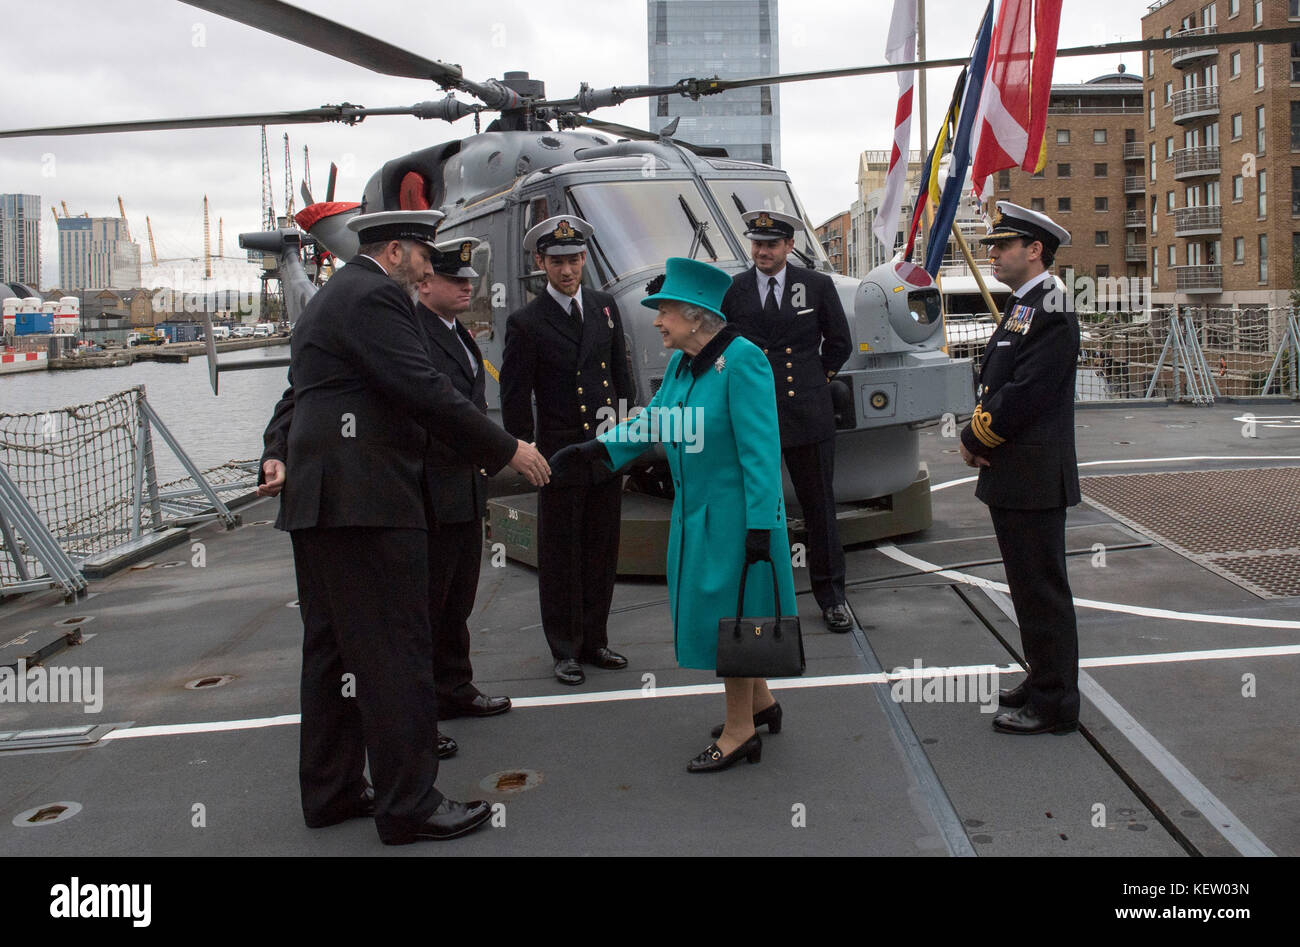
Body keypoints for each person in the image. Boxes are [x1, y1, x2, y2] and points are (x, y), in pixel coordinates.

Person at [256, 210, 550, 844]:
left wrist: (277, 450)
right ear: (396, 251)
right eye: (423, 252)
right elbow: (426, 391)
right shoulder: (376, 298)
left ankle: (332, 790)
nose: (428, 263)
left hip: (326, 503)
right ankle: (408, 803)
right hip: (368, 503)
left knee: (333, 651)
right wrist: (507, 450)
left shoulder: (336, 295)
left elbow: (306, 393)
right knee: (394, 652)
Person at [551, 257, 798, 772]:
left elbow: (760, 452)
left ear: (695, 316)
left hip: (737, 520)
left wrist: (761, 528)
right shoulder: (686, 363)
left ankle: (739, 732)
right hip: (696, 513)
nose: (657, 321)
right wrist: (596, 450)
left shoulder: (743, 360)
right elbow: (655, 421)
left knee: (729, 620)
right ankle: (761, 703)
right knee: (735, 616)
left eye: (664, 312)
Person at [960, 201, 1081, 736]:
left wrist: (974, 433)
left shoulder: (1051, 308)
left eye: (1002, 246)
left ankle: (1055, 704)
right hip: (1016, 471)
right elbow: (1000, 382)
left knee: (1041, 590)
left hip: (1032, 473)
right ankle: (1042, 678)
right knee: (1027, 586)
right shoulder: (1025, 306)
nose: (993, 255)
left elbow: (1029, 392)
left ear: (1035, 251)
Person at [499, 215, 635, 686]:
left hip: (603, 450)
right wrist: (525, 451)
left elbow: (621, 376)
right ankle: (564, 648)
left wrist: (626, 440)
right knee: (561, 557)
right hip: (558, 455)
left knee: (601, 549)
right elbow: (515, 396)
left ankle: (595, 640)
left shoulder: (604, 307)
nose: (567, 270)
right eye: (557, 261)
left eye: (574, 260)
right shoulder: (526, 322)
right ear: (541, 263)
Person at [721, 210, 854, 632]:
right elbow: (722, 344)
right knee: (752, 505)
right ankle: (753, 594)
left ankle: (833, 598)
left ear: (789, 246)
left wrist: (818, 380)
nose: (762, 251)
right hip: (753, 415)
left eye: (771, 244)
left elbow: (839, 343)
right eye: (757, 244)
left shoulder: (816, 286)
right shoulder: (735, 290)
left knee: (820, 508)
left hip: (806, 412)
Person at [413, 238, 513, 731]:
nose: (467, 287)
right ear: (425, 282)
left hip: (466, 488)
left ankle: (455, 687)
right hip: (431, 490)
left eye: (470, 281)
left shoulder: (459, 335)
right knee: (428, 605)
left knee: (458, 599)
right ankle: (424, 708)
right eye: (456, 280)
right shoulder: (415, 336)